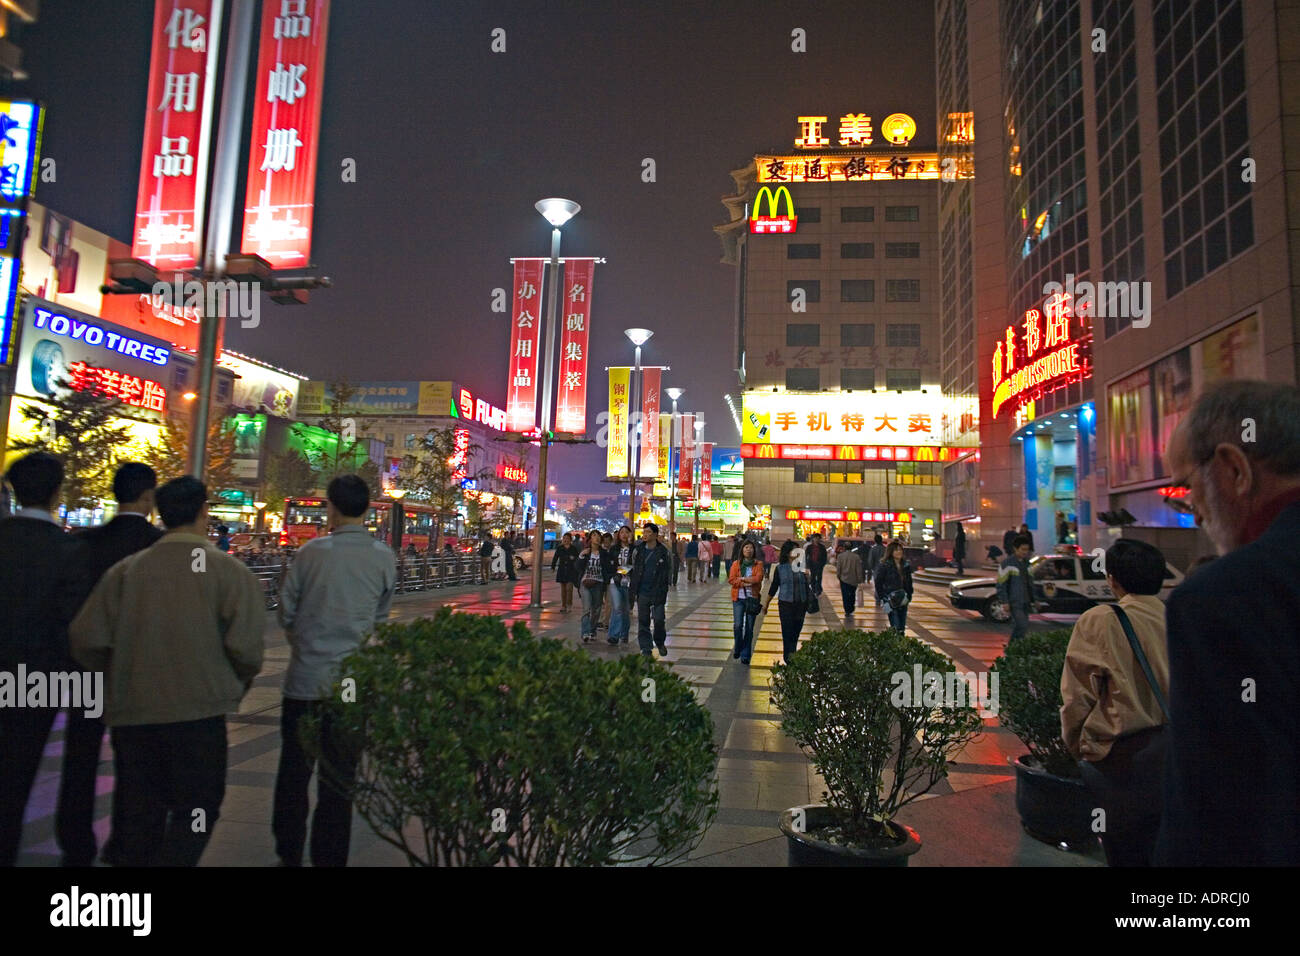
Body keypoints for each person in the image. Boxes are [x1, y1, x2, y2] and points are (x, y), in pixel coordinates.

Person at [69, 476, 265, 866]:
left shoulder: (127, 571)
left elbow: (86, 639)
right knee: (197, 809)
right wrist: (230, 684)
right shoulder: (227, 572)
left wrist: (118, 675)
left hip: (134, 717)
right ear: (203, 512)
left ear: (159, 511)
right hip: (199, 716)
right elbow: (246, 649)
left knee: (140, 809)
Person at [1155, 380, 1300, 866]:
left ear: (1233, 468)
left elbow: (1211, 813)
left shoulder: (1224, 598)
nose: (1192, 510)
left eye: (1187, 487)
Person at [274, 475, 395, 867]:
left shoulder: (311, 553)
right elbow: (378, 615)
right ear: (367, 508)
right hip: (349, 684)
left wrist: (305, 643)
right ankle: (330, 856)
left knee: (293, 773)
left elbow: (287, 611)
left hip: (305, 681)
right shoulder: (383, 557)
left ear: (331, 506)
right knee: (339, 780)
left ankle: (288, 852)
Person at [62, 463, 164, 867]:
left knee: (80, 758)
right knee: (136, 761)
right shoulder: (160, 545)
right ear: (148, 497)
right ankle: (124, 840)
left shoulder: (85, 542)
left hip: (88, 666)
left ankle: (75, 842)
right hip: (140, 667)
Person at [1061, 539, 1171, 867]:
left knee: (1124, 851)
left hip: (1120, 759)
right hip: (1174, 754)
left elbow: (1077, 696)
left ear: (1112, 579)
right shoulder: (1176, 615)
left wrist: (1077, 745)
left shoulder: (1102, 620)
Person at [0, 453, 83, 867]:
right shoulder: (69, 551)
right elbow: (73, 626)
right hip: (37, 685)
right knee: (16, 779)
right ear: (56, 492)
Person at [762, 540, 810, 663]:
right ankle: (788, 657)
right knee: (787, 632)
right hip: (786, 604)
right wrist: (766, 604)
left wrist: (808, 577)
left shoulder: (802, 567)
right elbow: (774, 587)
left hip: (801, 604)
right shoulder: (780, 568)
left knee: (796, 632)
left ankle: (792, 655)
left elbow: (807, 586)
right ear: (788, 553)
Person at [629, 523, 672, 658]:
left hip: (658, 591)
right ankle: (646, 647)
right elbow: (634, 566)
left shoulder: (664, 551)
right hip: (642, 591)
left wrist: (667, 584)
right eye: (644, 532)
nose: (645, 534)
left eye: (648, 532)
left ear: (655, 535)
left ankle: (659, 642)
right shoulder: (638, 550)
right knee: (643, 621)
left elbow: (669, 568)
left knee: (659, 620)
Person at [728, 541, 765, 664]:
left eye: (751, 548)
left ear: (754, 550)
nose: (749, 550)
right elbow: (732, 579)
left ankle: (745, 655)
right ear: (742, 550)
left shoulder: (758, 564)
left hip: (752, 599)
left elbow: (758, 578)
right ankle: (738, 646)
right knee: (738, 626)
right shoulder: (736, 564)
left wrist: (742, 578)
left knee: (749, 628)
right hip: (738, 599)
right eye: (746, 547)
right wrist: (744, 583)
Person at [576, 530, 613, 643]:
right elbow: (577, 567)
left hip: (598, 583)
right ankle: (585, 632)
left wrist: (607, 580)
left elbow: (608, 569)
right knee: (586, 609)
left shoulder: (604, 554)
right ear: (590, 539)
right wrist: (581, 556)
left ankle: (592, 630)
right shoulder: (586, 552)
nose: (596, 538)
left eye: (598, 536)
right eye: (593, 536)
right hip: (585, 582)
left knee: (596, 609)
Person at [997, 534, 1034, 643]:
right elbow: (1001, 584)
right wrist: (1005, 601)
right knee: (1021, 625)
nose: (1025, 552)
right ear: (1015, 549)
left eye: (1027, 549)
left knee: (1024, 627)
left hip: (1026, 602)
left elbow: (1031, 583)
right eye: (1023, 549)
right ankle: (1012, 648)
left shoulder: (1027, 564)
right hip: (1014, 602)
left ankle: (1016, 649)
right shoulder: (1007, 564)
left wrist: (1034, 600)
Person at [874, 541, 914, 633]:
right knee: (895, 625)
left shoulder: (905, 565)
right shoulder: (885, 565)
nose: (899, 552)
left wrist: (909, 595)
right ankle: (896, 644)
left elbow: (909, 582)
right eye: (896, 550)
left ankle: (901, 644)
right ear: (891, 552)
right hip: (890, 599)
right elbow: (878, 582)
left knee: (902, 627)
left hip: (903, 599)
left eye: (900, 550)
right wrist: (883, 597)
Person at [606, 525, 635, 645]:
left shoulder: (634, 549)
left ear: (630, 535)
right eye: (621, 532)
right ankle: (613, 635)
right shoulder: (614, 549)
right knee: (617, 607)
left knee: (626, 609)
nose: (624, 534)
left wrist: (621, 570)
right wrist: (617, 573)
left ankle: (624, 634)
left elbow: (635, 565)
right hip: (615, 581)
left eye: (626, 532)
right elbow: (610, 565)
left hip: (629, 582)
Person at [550, 532, 579, 611]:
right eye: (564, 538)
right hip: (562, 570)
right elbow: (555, 557)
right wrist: (553, 567)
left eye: (567, 538)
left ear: (570, 540)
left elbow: (578, 558)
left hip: (571, 570)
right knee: (563, 590)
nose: (566, 540)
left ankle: (569, 604)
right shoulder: (560, 548)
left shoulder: (573, 548)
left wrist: (574, 559)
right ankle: (563, 605)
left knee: (569, 589)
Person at [835, 539, 864, 616]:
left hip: (843, 579)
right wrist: (860, 579)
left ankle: (847, 610)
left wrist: (838, 576)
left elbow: (838, 568)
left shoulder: (840, 556)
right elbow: (858, 569)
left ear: (844, 547)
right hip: (853, 579)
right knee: (852, 594)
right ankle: (851, 609)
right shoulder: (856, 557)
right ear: (852, 547)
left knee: (845, 595)